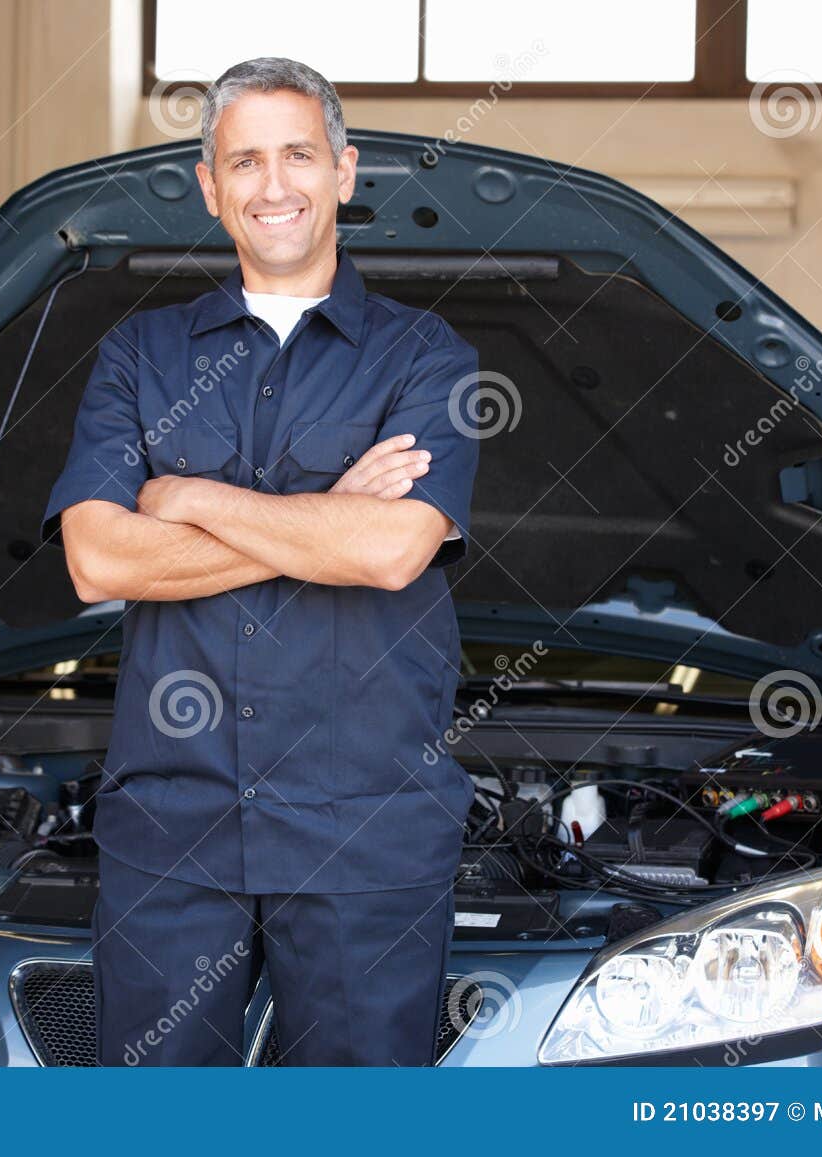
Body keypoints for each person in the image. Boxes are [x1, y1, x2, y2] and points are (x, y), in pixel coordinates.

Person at [40, 56, 480, 1066]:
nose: (272, 185)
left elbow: (388, 550)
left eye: (297, 155)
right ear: (209, 186)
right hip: (171, 829)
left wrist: (190, 498)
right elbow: (98, 561)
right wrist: (317, 520)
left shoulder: (427, 357)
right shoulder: (139, 354)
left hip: (365, 832)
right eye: (244, 161)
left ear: (344, 170)